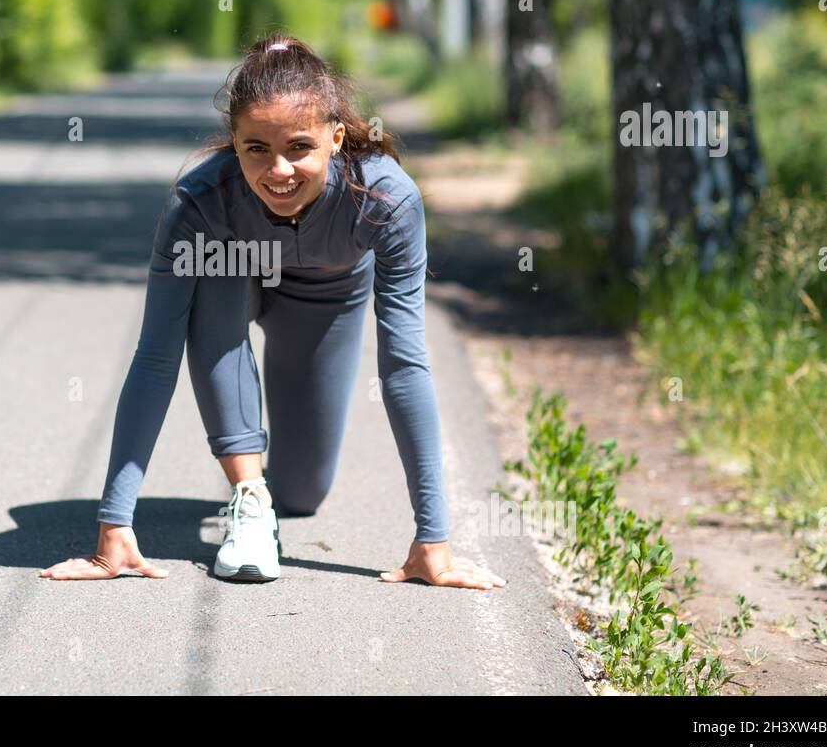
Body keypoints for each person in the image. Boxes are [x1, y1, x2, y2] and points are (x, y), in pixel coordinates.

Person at [40, 33, 506, 590]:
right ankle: (249, 497)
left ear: (336, 139)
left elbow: (404, 365)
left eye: (300, 147)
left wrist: (435, 541)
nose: (278, 170)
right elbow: (156, 358)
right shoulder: (200, 202)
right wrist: (113, 525)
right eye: (255, 148)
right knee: (219, 270)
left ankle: (276, 495)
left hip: (327, 300)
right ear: (232, 143)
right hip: (233, 277)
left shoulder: (387, 198)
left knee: (304, 494)